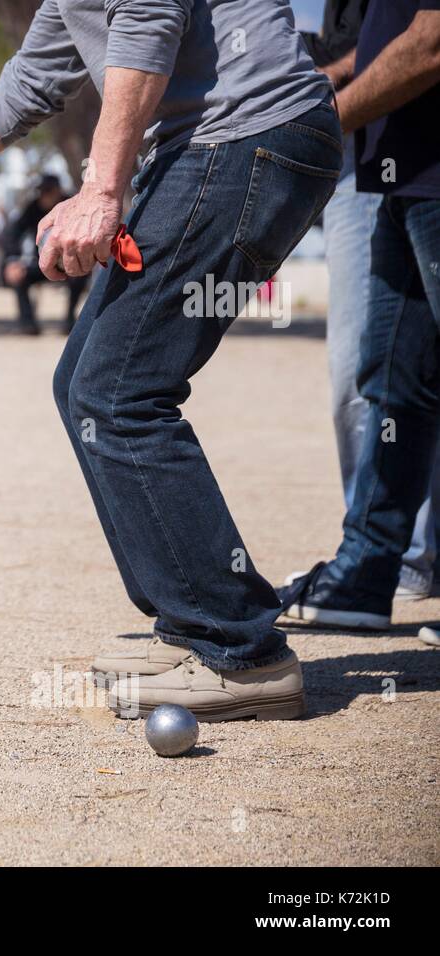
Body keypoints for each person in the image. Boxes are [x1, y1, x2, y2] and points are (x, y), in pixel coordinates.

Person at [0, 0, 340, 720]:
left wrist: (103, 189)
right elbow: (28, 83)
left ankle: (241, 651)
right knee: (84, 385)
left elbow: (149, 16)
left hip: (244, 136)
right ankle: (191, 622)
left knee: (119, 393)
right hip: (228, 143)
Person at [281, 1, 440, 635]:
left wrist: (319, 125)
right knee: (393, 385)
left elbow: (431, 41)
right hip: (400, 176)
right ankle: (369, 571)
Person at [0, 175, 88, 335]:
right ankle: (28, 323)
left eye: (47, 191)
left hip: (69, 262)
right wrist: (12, 261)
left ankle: (69, 321)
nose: (44, 195)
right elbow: (12, 234)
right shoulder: (32, 208)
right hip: (42, 263)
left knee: (80, 276)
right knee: (20, 276)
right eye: (40, 191)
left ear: (58, 190)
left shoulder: (72, 206)